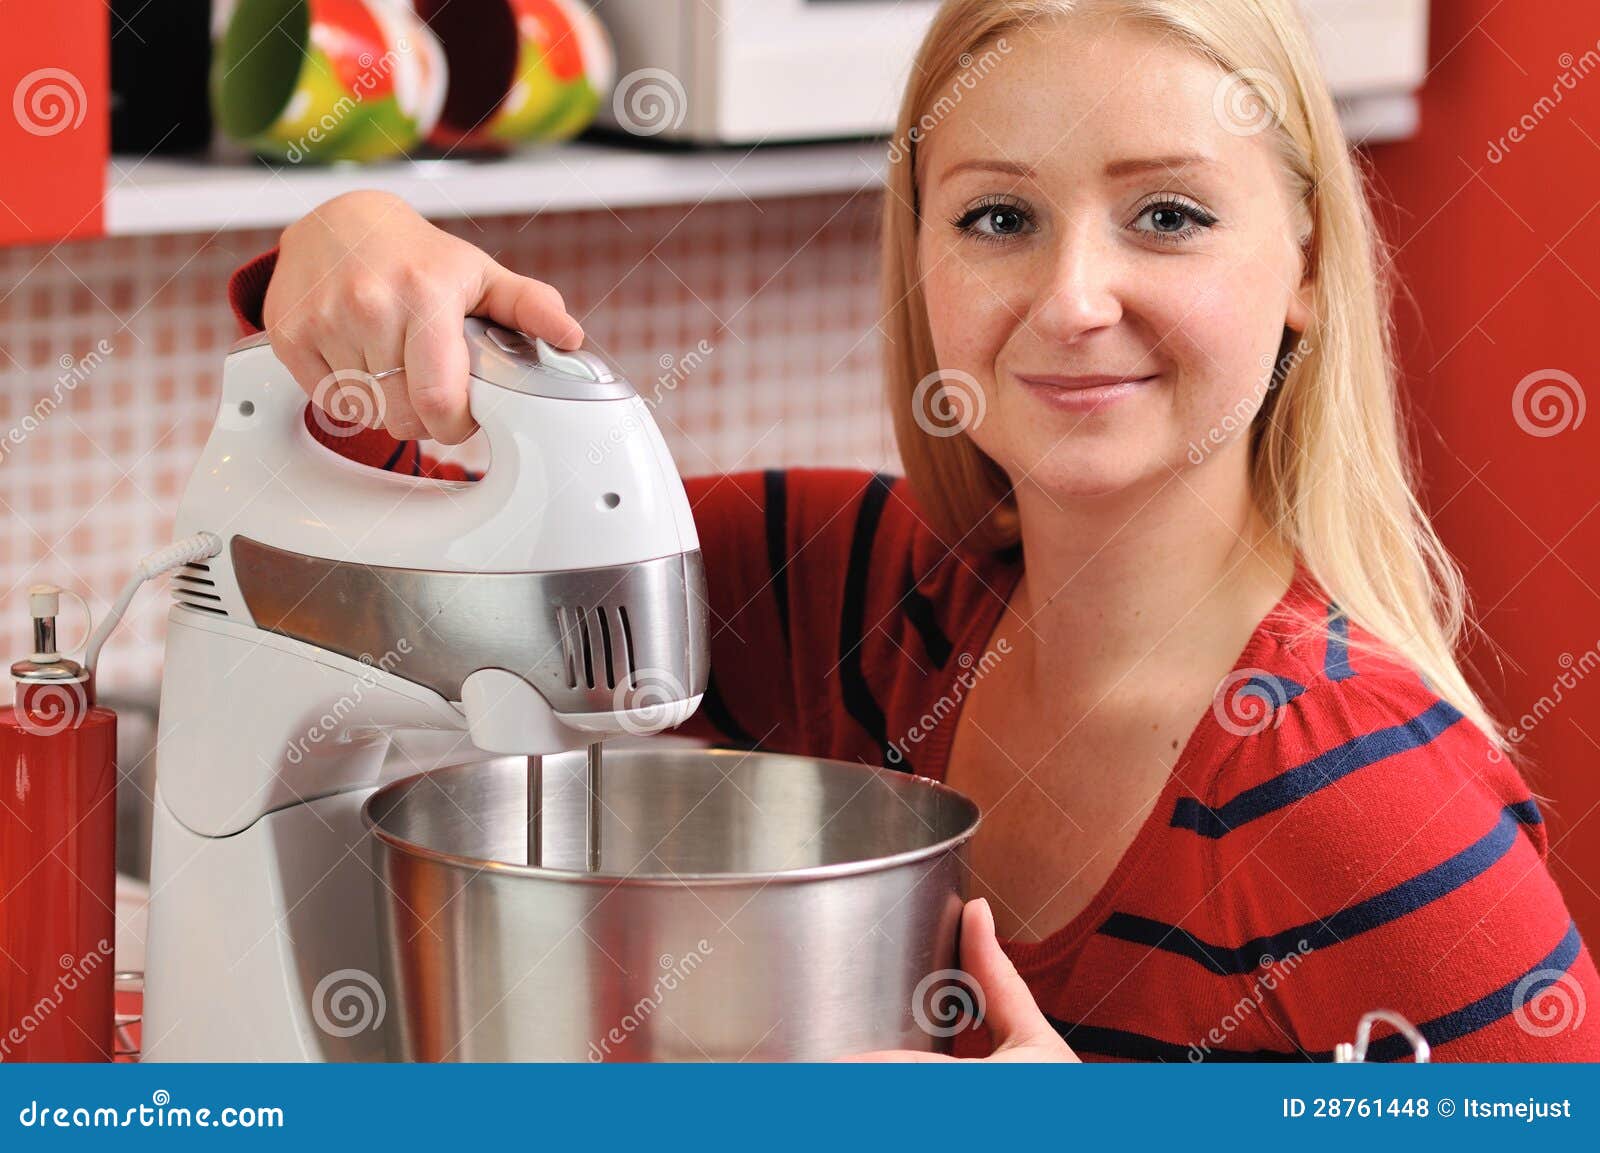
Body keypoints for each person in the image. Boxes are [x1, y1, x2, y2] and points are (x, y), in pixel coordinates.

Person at [226, 0, 1600, 1061]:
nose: (1071, 299)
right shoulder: (852, 598)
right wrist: (346, 247)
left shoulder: (1368, 811)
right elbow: (416, 546)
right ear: (923, 255)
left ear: (1303, 263)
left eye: (1166, 215)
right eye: (998, 215)